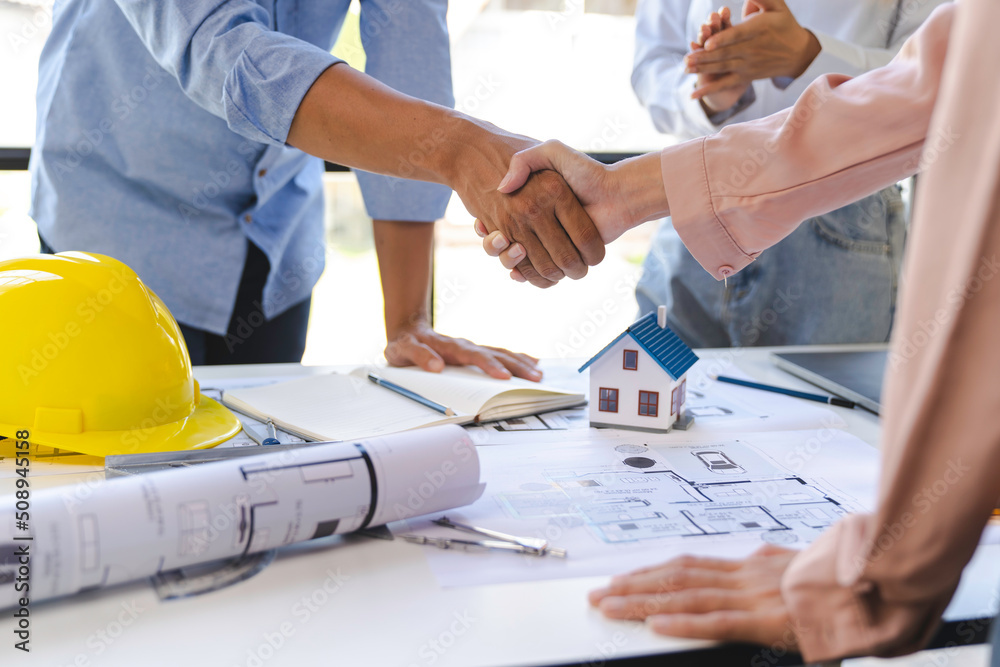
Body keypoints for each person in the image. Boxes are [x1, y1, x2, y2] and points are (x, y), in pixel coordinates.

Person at [482, 3, 1000, 661]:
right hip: (706, 197)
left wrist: (882, 574)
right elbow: (936, 87)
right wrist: (626, 189)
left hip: (840, 225)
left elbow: (961, 119)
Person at [30, 0, 603, 374]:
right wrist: (461, 150)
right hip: (120, 223)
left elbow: (409, 53)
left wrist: (409, 323)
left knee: (260, 486)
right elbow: (219, 49)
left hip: (274, 236)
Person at [629, 0, 942, 347]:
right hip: (692, 207)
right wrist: (704, 98)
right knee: (655, 385)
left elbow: (941, 75)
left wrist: (809, 56)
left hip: (842, 216)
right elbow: (652, 62)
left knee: (822, 398)